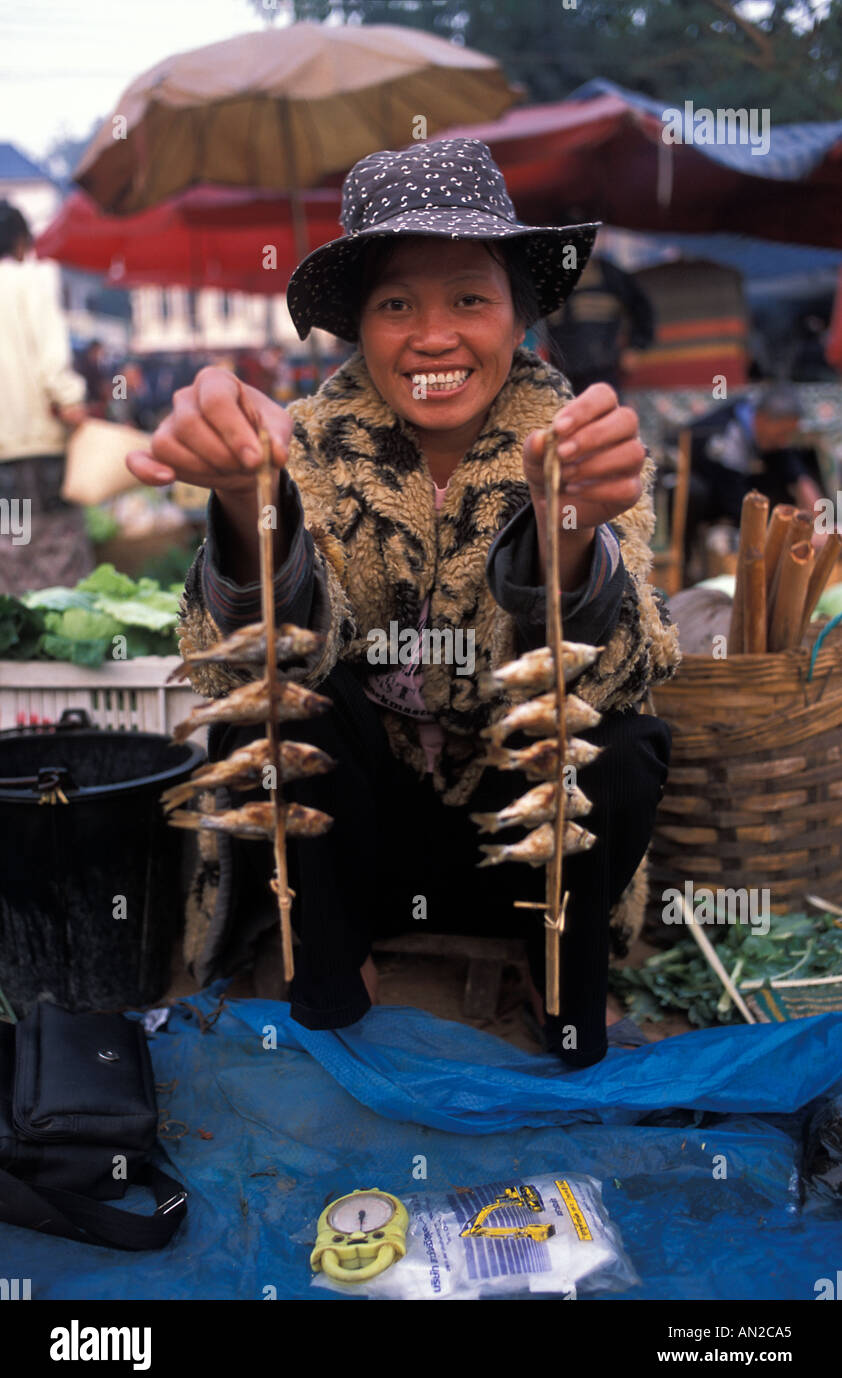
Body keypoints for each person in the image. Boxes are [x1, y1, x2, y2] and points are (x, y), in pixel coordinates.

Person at [127, 139, 680, 1068]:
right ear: (356, 328)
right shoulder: (301, 442)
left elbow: (621, 672)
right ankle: (337, 983)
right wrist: (243, 500)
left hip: (517, 846)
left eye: (470, 297)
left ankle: (561, 988)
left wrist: (570, 532)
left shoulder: (584, 440)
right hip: (357, 849)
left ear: (520, 316)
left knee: (626, 744)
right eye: (396, 304)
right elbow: (260, 654)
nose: (433, 336)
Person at [0, 200, 91, 595]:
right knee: (57, 543)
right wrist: (71, 400)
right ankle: (60, 638)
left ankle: (18, 639)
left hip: (3, 455)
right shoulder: (32, 279)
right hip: (42, 445)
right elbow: (52, 359)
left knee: (12, 544)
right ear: (22, 242)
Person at [683, 384, 826, 573]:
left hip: (736, 485)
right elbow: (737, 502)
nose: (784, 440)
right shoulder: (727, 437)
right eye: (783, 433)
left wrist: (820, 520)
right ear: (762, 420)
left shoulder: (762, 422)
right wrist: (789, 536)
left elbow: (795, 474)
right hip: (705, 492)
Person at [543, 253, 655, 396]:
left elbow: (642, 309)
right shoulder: (549, 276)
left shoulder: (606, 272)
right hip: (561, 374)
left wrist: (636, 346)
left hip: (602, 370)